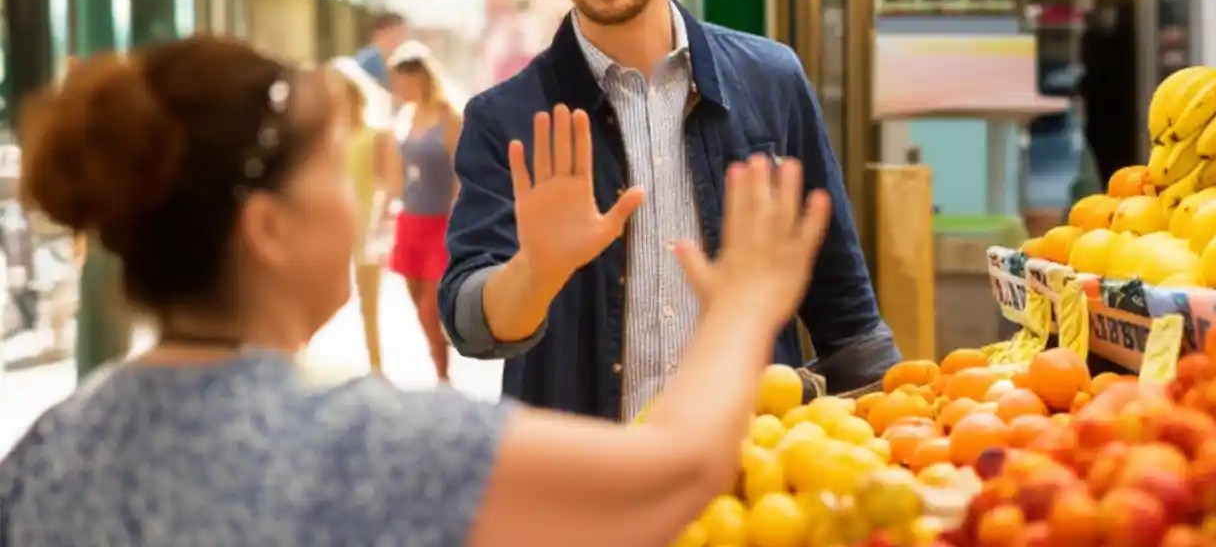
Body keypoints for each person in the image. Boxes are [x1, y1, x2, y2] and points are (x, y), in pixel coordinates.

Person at [0, 36, 831, 546]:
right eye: (333, 168)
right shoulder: (358, 442)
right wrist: (746, 307)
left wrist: (536, 270)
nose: (359, 196)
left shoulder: (48, 449)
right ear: (267, 229)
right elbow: (673, 477)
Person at [441, 0, 900, 420]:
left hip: (750, 464)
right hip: (582, 478)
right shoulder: (504, 118)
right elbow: (469, 324)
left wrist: (900, 429)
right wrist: (536, 270)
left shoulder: (770, 81)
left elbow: (844, 307)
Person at [387, 41, 459, 383]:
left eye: (406, 80)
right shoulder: (405, 116)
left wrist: (458, 220)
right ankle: (438, 365)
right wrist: (385, 210)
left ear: (423, 77)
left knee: (432, 309)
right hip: (409, 222)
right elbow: (397, 173)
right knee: (418, 307)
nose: (400, 88)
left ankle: (444, 377)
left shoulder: (450, 117)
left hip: (440, 224)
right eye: (397, 81)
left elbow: (462, 174)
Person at [327, 56, 396, 373]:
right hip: (335, 223)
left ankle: (376, 367)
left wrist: (379, 224)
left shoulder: (376, 134)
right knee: (327, 297)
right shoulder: (329, 137)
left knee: (370, 304)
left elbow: (390, 183)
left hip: (368, 225)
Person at [354, 11, 408, 91]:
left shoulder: (401, 61)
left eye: (401, 34)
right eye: (395, 33)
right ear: (379, 33)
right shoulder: (366, 60)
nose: (399, 39)